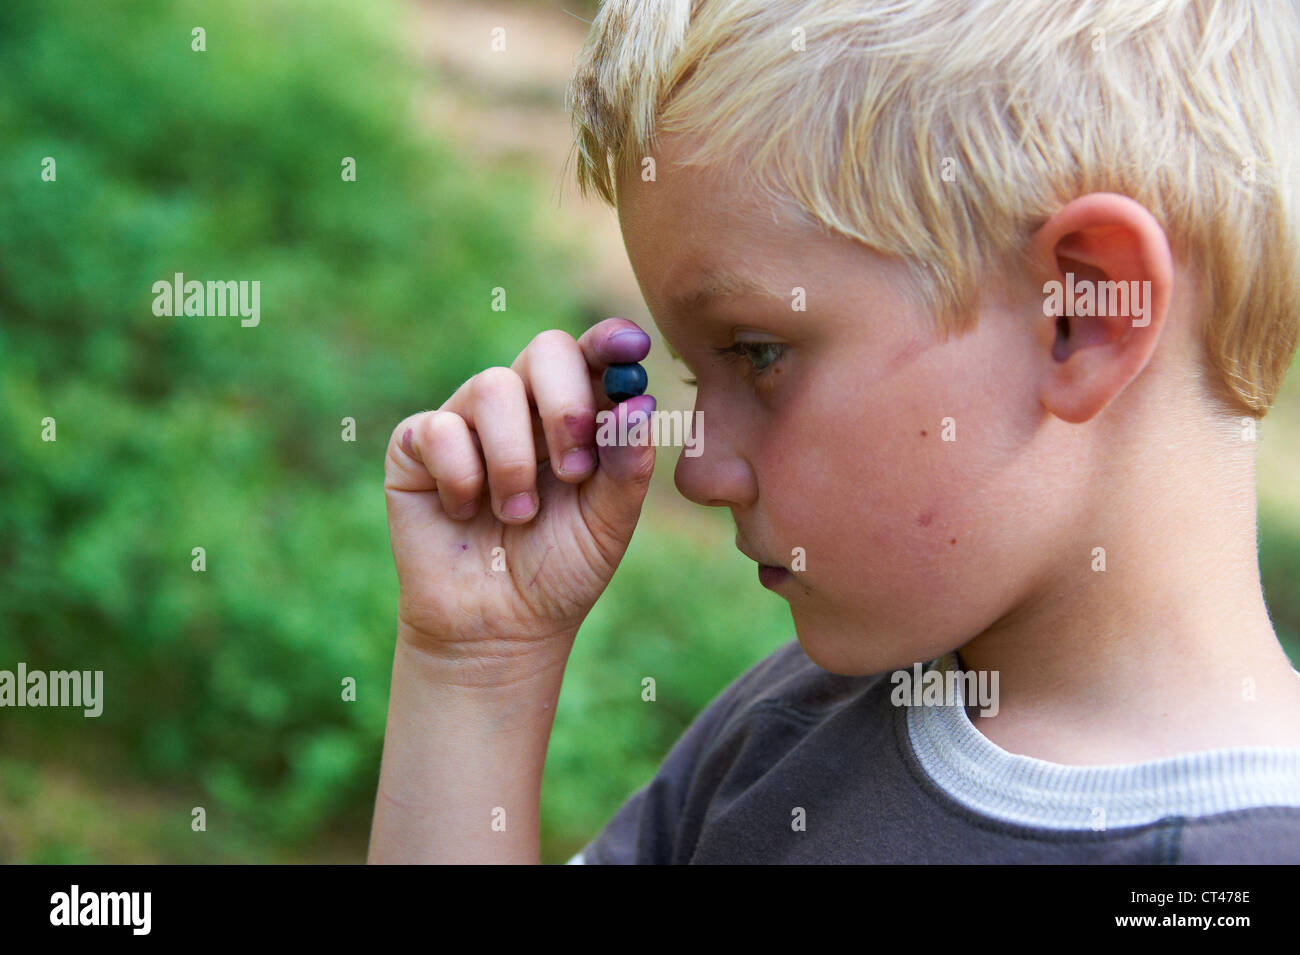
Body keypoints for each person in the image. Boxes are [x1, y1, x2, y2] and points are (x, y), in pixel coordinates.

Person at [367, 0, 1300, 863]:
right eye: (695, 373)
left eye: (758, 352)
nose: (698, 471)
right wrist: (478, 669)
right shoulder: (786, 729)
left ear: (1081, 311)